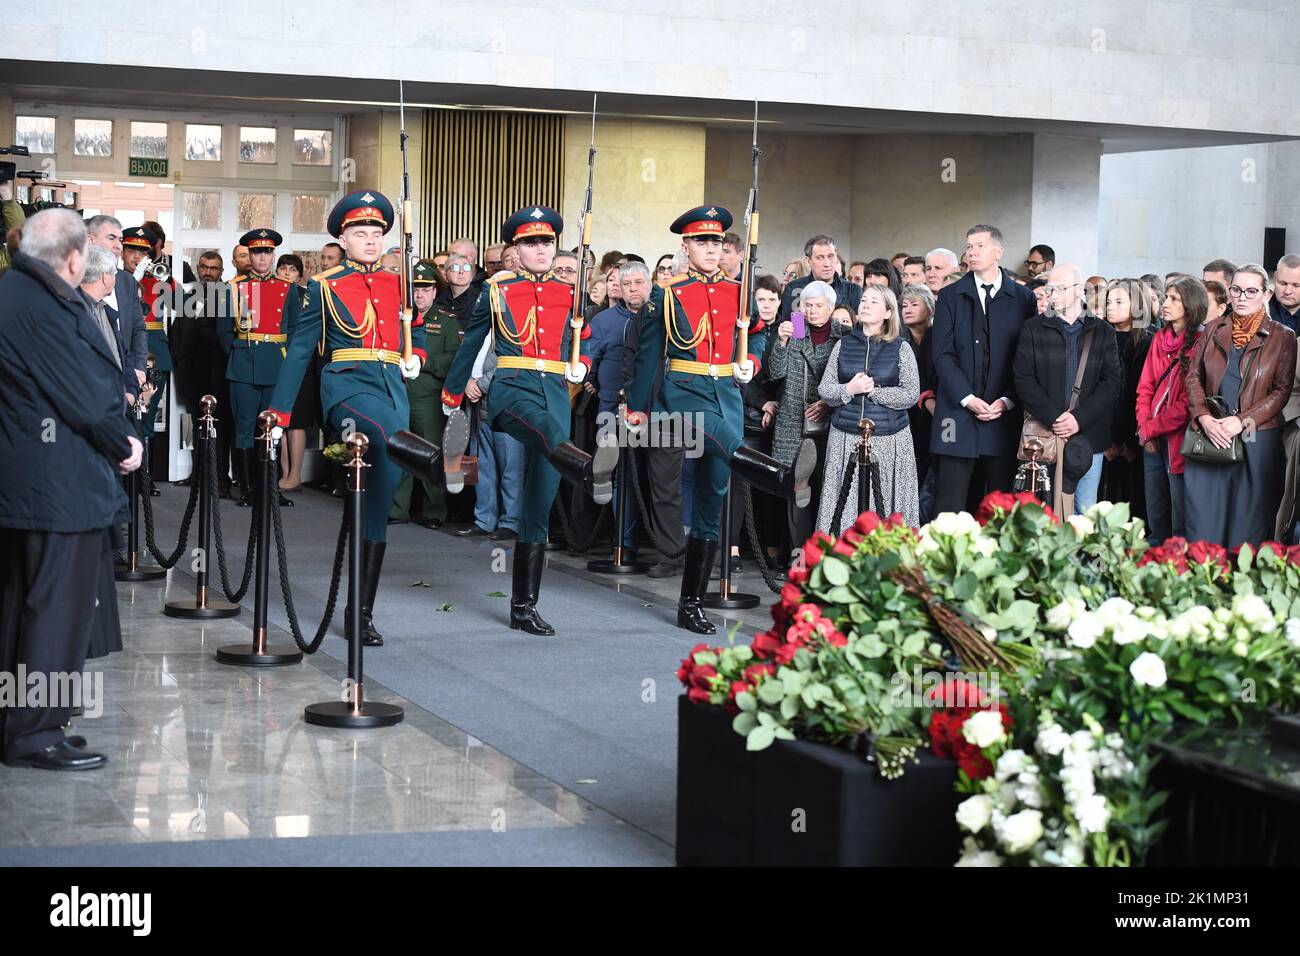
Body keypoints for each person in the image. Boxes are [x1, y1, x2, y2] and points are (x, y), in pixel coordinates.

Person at [629, 205, 816, 635]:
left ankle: (690, 604)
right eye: (703, 242)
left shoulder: (738, 290)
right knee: (726, 446)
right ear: (686, 246)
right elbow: (647, 353)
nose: (712, 249)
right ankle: (783, 478)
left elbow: (756, 333)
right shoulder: (667, 292)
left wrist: (750, 359)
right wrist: (638, 406)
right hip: (683, 395)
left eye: (717, 242)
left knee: (714, 497)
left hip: (727, 396)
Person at [0, 208, 142, 770]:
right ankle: (38, 733)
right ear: (75, 256)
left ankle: (20, 721)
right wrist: (121, 442)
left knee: (23, 602)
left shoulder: (14, 290)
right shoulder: (42, 305)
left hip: (28, 480)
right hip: (57, 485)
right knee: (59, 608)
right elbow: (80, 395)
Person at [440, 205, 617, 636]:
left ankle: (524, 607)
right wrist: (453, 390)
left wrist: (582, 364)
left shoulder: (569, 294)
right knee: (549, 433)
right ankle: (590, 468)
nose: (540, 249)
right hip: (512, 393)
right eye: (531, 242)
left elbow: (582, 342)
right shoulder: (497, 291)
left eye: (547, 242)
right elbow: (473, 343)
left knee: (538, 502)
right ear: (516, 250)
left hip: (554, 393)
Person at [268, 190, 429, 647]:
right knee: (381, 433)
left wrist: (413, 352)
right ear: (343, 237)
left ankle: (360, 612)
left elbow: (407, 336)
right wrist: (280, 411)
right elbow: (301, 350)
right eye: (361, 233)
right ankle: (441, 464)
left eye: (377, 233)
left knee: (377, 505)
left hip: (391, 389)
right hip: (346, 387)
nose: (371, 240)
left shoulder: (399, 285)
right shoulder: (324, 285)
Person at [1184, 264, 1296, 549]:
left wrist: (1242, 421)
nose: (1242, 297)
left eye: (1251, 291)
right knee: (1203, 525)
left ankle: (1241, 591)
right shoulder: (1212, 329)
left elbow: (1282, 391)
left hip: (1256, 439)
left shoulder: (1283, 337)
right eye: (1236, 289)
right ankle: (1203, 587)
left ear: (1266, 294)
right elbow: (1193, 377)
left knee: (1247, 531)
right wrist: (1204, 418)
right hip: (1209, 436)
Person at [929, 225, 1036, 515]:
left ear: (998, 252)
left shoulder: (1023, 299)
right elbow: (942, 354)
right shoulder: (951, 295)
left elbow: (1026, 359)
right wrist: (967, 398)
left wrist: (1006, 400)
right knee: (950, 508)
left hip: (1004, 416)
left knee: (999, 508)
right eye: (969, 246)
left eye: (979, 246)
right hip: (957, 414)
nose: (972, 252)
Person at [1013, 264, 1121, 515]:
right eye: (1050, 289)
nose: (1053, 295)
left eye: (1060, 289)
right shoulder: (1033, 328)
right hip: (1043, 435)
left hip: (1089, 435)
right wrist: (1055, 418)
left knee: (1084, 512)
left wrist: (1077, 419)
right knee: (1041, 513)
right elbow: (1024, 379)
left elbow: (1111, 382)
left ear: (1078, 290)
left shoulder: (1102, 331)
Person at [817, 284, 920, 532]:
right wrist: (849, 389)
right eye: (864, 300)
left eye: (874, 302)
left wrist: (874, 392)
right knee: (843, 503)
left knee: (884, 505)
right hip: (845, 435)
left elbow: (911, 394)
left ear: (887, 312)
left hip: (889, 438)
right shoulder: (843, 345)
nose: (865, 305)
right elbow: (825, 390)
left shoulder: (901, 347)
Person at [219, 228, 300, 508]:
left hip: (276, 365)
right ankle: (247, 488)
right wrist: (240, 353)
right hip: (244, 365)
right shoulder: (232, 287)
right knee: (244, 427)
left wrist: (285, 358)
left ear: (273, 254)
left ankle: (271, 489)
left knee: (272, 429)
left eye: (267, 252)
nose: (262, 257)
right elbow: (223, 333)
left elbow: (294, 328)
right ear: (249, 255)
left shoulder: (288, 288)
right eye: (257, 252)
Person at [765, 279, 838, 555]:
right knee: (796, 487)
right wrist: (781, 343)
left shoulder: (843, 334)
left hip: (830, 420)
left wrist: (828, 403)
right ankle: (797, 551)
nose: (813, 311)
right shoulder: (795, 327)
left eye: (819, 305)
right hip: (792, 422)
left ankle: (822, 550)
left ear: (830, 308)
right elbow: (775, 373)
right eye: (808, 305)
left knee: (826, 487)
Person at [1135, 276, 1206, 545]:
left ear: (1190, 305)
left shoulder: (1202, 342)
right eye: (1166, 297)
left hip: (1180, 440)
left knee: (1180, 518)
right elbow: (1145, 388)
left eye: (1174, 299)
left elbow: (1188, 403)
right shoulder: (1159, 338)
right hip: (1151, 438)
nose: (1165, 303)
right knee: (1156, 513)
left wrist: (1150, 428)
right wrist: (1145, 428)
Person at [389, 260, 458, 528]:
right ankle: (398, 508)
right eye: (415, 289)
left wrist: (422, 361)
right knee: (399, 451)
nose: (419, 294)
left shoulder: (446, 321)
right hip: (399, 392)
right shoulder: (399, 318)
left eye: (425, 289)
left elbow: (451, 359)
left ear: (434, 291)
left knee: (431, 453)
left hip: (427, 396)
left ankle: (434, 511)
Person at [172, 249, 235, 497]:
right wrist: (178, 359)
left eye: (214, 268)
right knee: (199, 428)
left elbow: (225, 337)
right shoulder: (189, 295)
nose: (208, 272)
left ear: (221, 271)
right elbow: (178, 331)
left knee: (220, 430)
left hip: (218, 377)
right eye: (204, 267)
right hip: (192, 375)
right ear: (198, 269)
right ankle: (198, 476)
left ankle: (221, 480)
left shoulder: (226, 296)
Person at [1100, 278, 1153, 516]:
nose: (1110, 306)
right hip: (1102, 436)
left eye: (1119, 301)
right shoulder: (1097, 338)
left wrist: (1132, 444)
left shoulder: (1151, 342)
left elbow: (1147, 394)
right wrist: (1106, 441)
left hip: (1138, 438)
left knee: (1137, 507)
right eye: (1109, 301)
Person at [86, 214, 146, 406]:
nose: (119, 246)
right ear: (90, 240)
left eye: (120, 240)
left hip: (126, 379)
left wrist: (138, 368)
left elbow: (137, 328)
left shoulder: (126, 280)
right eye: (111, 238)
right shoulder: (73, 278)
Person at [122, 225, 174, 434]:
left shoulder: (157, 278)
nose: (137, 257)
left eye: (142, 252)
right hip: (125, 351)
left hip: (154, 350)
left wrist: (166, 278)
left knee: (146, 419)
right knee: (123, 417)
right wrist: (133, 280)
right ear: (122, 252)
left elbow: (184, 302)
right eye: (132, 251)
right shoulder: (113, 278)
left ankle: (145, 467)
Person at [902, 283, 938, 519]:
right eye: (904, 305)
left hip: (934, 418)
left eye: (914, 304)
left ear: (930, 308)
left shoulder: (939, 336)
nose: (907, 309)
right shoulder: (896, 338)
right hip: (906, 417)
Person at [779, 234, 862, 322]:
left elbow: (856, 330)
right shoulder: (793, 289)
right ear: (808, 261)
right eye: (820, 258)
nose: (827, 264)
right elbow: (790, 327)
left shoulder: (852, 290)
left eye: (830, 256)